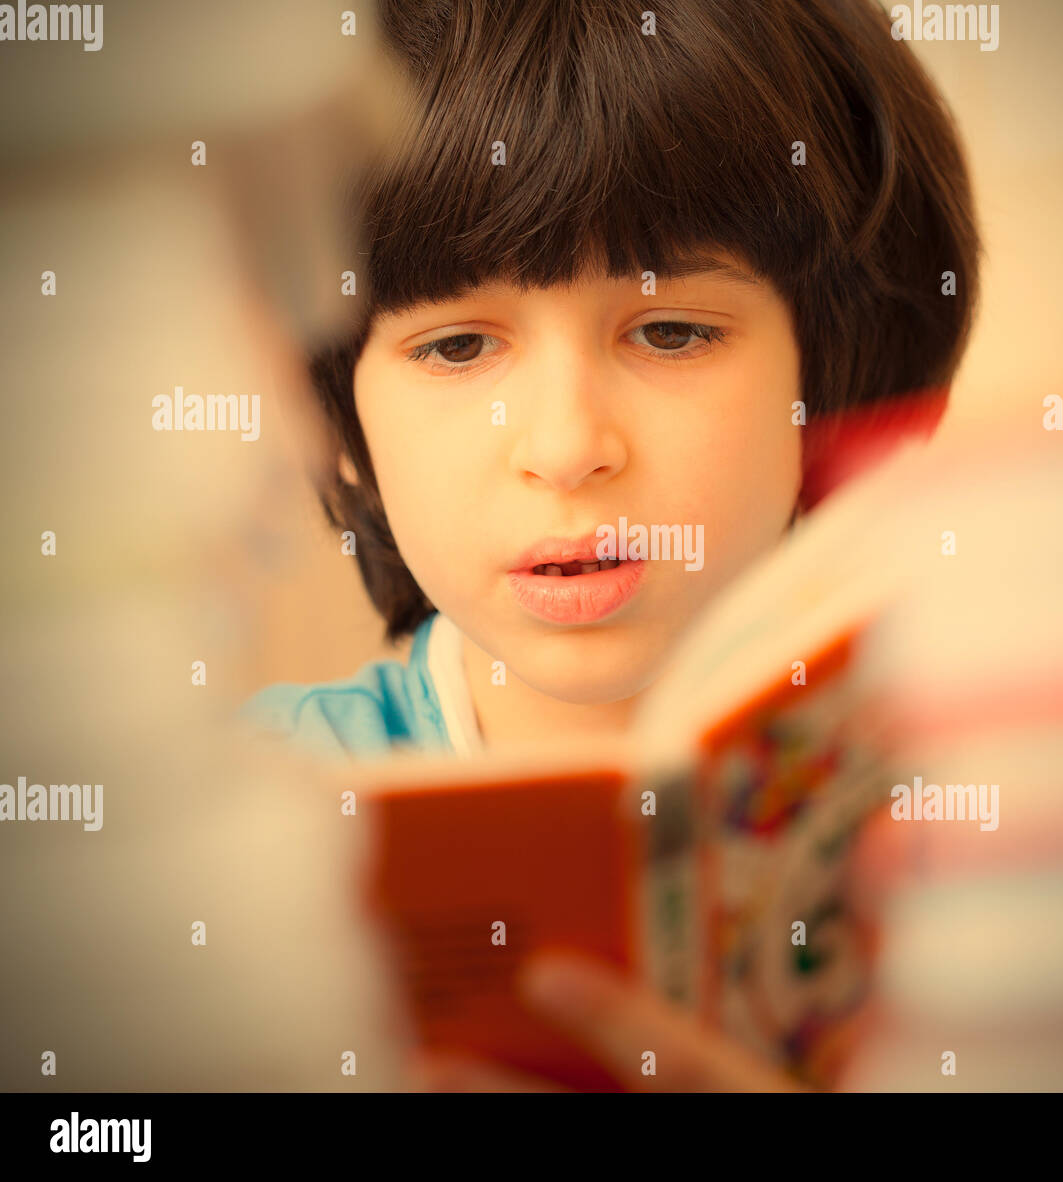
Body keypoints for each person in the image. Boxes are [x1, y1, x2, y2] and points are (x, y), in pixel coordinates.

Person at [240, 0, 980, 1090]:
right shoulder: (254, 822)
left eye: (670, 331)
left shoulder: (991, 799)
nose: (566, 445)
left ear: (824, 382)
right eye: (455, 347)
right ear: (338, 422)